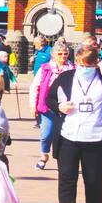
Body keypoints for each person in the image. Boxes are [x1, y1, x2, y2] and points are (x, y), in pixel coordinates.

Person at [45, 42, 102, 203]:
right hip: (69, 136)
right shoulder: (66, 78)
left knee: (94, 180)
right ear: (77, 60)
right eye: (83, 64)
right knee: (67, 180)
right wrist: (59, 107)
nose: (86, 68)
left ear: (97, 63)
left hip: (96, 137)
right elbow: (50, 98)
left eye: (90, 64)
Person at [31, 39, 72, 170]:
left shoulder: (73, 68)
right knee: (46, 134)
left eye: (65, 54)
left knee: (64, 135)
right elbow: (35, 87)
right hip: (47, 106)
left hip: (66, 108)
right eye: (60, 54)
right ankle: (44, 155)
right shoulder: (45, 68)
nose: (63, 56)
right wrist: (33, 105)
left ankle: (63, 160)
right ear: (53, 55)